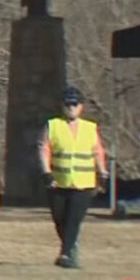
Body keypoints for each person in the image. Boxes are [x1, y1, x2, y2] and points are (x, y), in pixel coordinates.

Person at [37, 85, 108, 269]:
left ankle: (66, 253)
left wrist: (103, 172)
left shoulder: (90, 128)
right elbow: (44, 149)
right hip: (58, 182)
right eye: (67, 104)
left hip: (83, 183)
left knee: (73, 220)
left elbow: (98, 151)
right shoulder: (53, 125)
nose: (71, 108)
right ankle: (70, 246)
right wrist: (46, 172)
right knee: (59, 219)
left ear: (81, 106)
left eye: (74, 104)